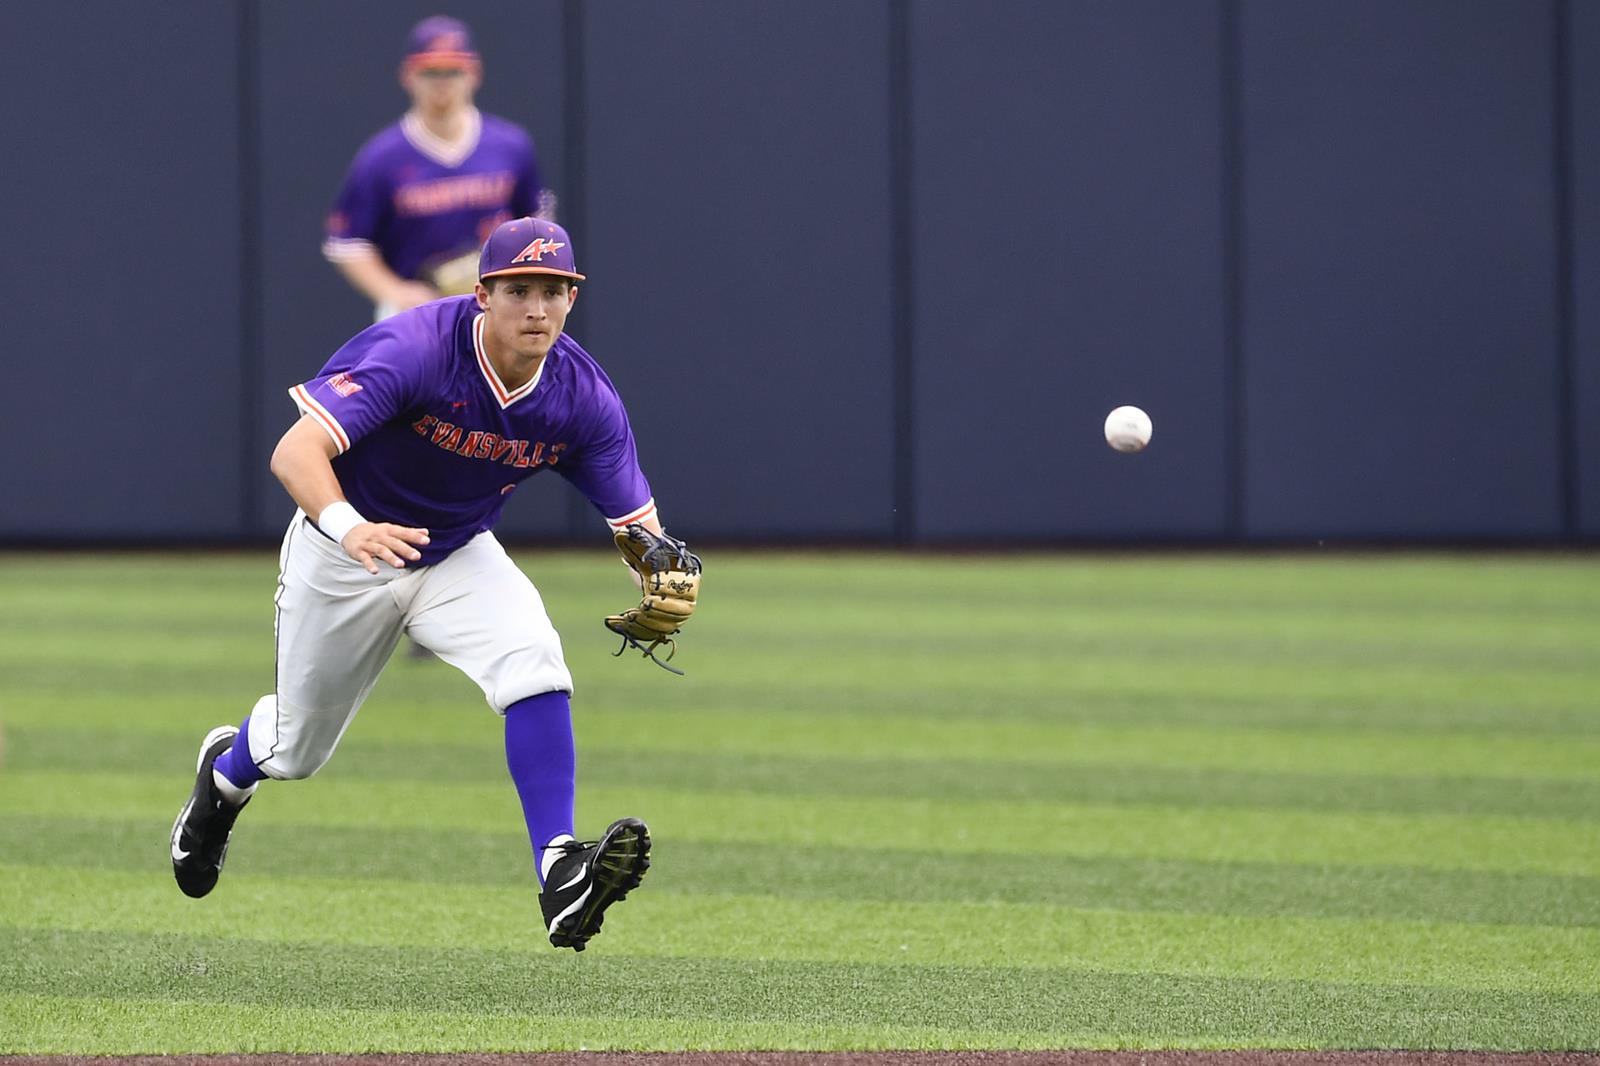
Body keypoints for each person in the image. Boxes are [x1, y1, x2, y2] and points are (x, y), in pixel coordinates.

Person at [168, 217, 701, 952]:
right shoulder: (414, 348)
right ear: (482, 293)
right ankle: (223, 777)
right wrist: (350, 526)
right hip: (345, 555)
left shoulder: (582, 396)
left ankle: (559, 871)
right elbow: (295, 453)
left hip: (453, 551)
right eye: (519, 290)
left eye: (553, 290)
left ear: (573, 300)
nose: (537, 308)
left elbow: (635, 521)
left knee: (534, 662)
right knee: (296, 749)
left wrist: (659, 561)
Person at [322, 15, 555, 321]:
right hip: (418, 312)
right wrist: (394, 290)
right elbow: (347, 243)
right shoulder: (382, 157)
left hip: (495, 305)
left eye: (453, 71)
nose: (442, 82)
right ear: (408, 75)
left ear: (474, 73)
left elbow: (538, 226)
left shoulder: (511, 146)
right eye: (431, 71)